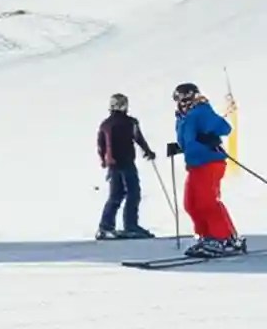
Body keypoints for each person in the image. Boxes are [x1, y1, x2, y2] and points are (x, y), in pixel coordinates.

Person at [169, 82, 244, 257]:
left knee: (207, 201)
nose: (181, 103)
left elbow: (224, 128)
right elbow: (190, 139)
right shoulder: (183, 117)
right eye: (178, 100)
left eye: (183, 99)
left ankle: (224, 238)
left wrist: (210, 137)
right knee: (191, 204)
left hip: (210, 162)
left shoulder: (201, 110)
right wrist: (179, 148)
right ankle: (207, 236)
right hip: (196, 164)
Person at [95, 93, 156, 240]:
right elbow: (138, 138)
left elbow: (100, 144)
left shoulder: (105, 124)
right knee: (133, 193)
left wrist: (104, 160)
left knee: (116, 195)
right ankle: (130, 225)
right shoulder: (130, 122)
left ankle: (105, 226)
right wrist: (148, 152)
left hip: (113, 164)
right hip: (126, 161)